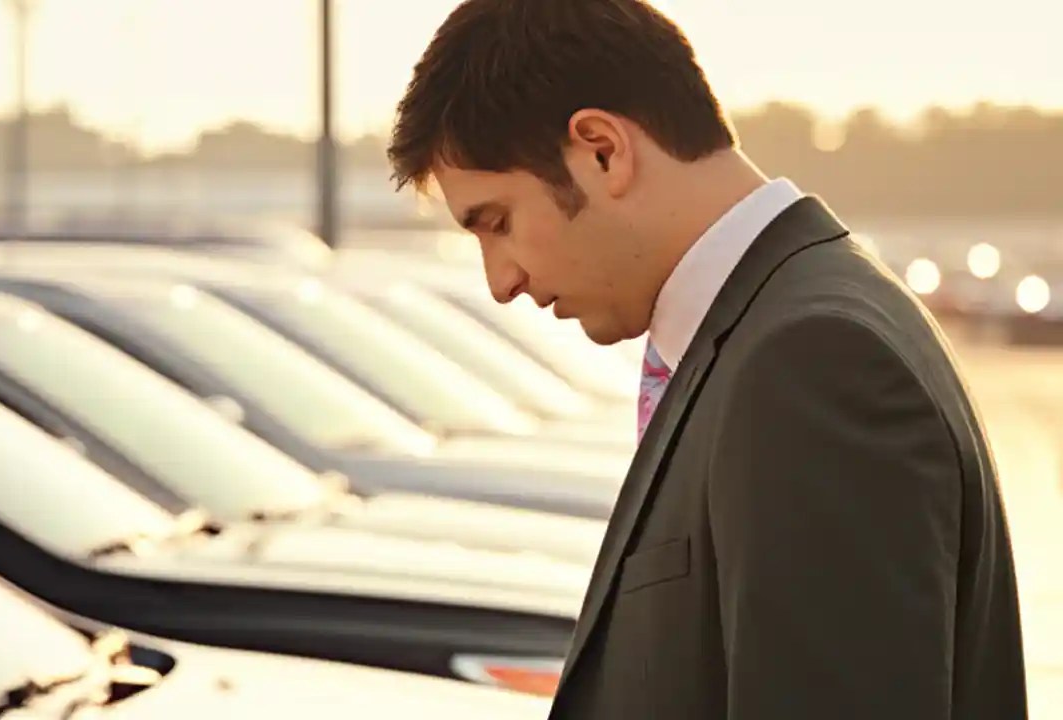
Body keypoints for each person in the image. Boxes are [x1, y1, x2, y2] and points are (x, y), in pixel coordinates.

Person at [386, 1, 1028, 717]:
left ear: (602, 150)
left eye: (498, 223)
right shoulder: (780, 325)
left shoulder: (811, 360)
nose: (499, 282)